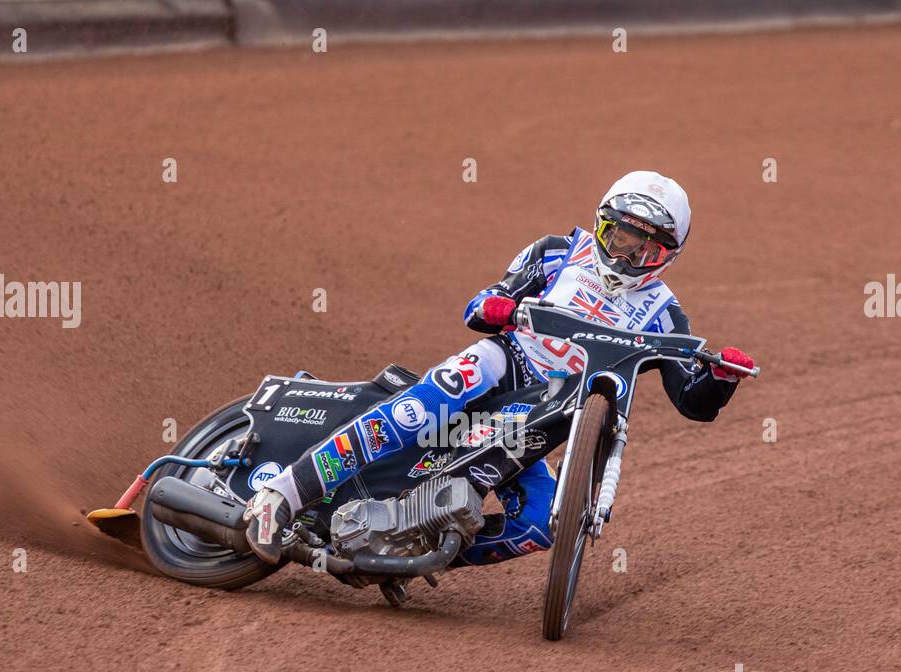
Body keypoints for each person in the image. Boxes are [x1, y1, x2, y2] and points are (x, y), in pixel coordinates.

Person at [246, 170, 755, 564]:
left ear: (669, 255)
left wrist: (720, 377)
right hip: (503, 364)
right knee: (426, 405)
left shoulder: (666, 314)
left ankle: (405, 552)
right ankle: (279, 496)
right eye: (620, 238)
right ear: (602, 226)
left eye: (646, 248)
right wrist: (497, 307)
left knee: (542, 525)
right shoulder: (558, 253)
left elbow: (692, 402)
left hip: (547, 420)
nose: (626, 256)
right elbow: (483, 303)